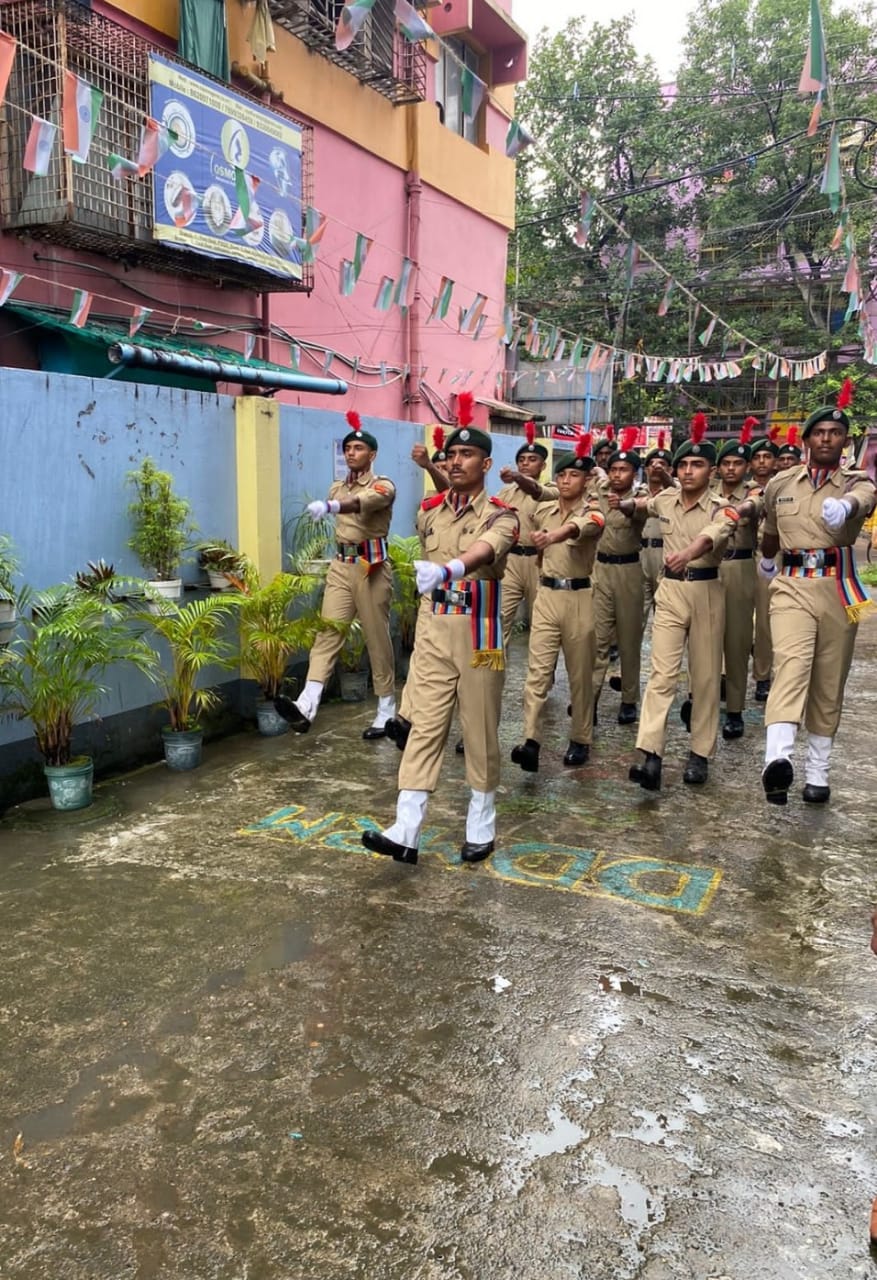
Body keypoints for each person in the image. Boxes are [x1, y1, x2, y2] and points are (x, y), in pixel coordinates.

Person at [362, 401, 519, 865]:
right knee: (422, 728)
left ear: (486, 464)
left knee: (479, 727)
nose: (456, 461)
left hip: (480, 626)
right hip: (435, 626)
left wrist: (450, 568)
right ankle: (406, 829)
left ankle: (481, 820)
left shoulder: (502, 514)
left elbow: (488, 549)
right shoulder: (429, 512)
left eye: (466, 456)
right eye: (450, 455)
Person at [759, 380, 876, 805]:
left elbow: (866, 495)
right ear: (807, 440)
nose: (827, 438)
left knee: (829, 680)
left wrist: (846, 506)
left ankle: (819, 772)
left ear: (845, 441)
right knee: (791, 662)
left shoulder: (855, 482)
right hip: (791, 587)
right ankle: (778, 759)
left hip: (839, 589)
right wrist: (768, 561)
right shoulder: (781, 483)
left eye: (835, 432)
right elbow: (770, 530)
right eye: (819, 432)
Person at [626, 414, 755, 791]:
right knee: (662, 675)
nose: (687, 471)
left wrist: (688, 552)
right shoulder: (664, 500)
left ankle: (700, 754)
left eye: (696, 464)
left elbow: (717, 532)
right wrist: (618, 504)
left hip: (707, 590)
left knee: (703, 677)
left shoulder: (721, 506)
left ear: (711, 471)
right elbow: (641, 505)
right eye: (682, 464)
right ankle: (651, 755)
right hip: (671, 593)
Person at [274, 411, 397, 739]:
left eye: (358, 448)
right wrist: (332, 502)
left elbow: (363, 502)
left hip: (371, 568)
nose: (351, 453)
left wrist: (331, 508)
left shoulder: (384, 485)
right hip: (341, 567)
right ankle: (307, 702)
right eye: (347, 448)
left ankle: (386, 709)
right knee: (328, 632)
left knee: (376, 638)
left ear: (372, 454)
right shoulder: (335, 486)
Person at [511, 439, 605, 772]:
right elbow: (538, 544)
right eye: (562, 475)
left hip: (578, 596)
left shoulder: (593, 511)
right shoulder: (544, 511)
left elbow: (584, 527)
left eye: (573, 476)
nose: (566, 481)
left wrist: (554, 537)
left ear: (587, 480)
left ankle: (580, 738)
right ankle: (531, 740)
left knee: (579, 674)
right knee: (537, 672)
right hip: (547, 594)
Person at [591, 428, 648, 725]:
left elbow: (638, 510)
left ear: (635, 474)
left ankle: (629, 698)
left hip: (629, 571)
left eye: (624, 469)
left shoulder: (641, 497)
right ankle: (590, 700)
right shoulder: (598, 490)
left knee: (628, 640)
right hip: (600, 570)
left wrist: (624, 504)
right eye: (613, 469)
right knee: (597, 641)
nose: (617, 475)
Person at [712, 418, 762, 740]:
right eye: (726, 463)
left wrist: (740, 509)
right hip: (710, 569)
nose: (731, 469)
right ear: (717, 468)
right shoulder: (708, 492)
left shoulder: (753, 492)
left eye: (738, 463)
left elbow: (756, 505)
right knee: (704, 637)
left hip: (741, 569)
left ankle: (734, 710)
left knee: (738, 641)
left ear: (746, 467)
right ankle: (699, 698)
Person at [495, 421, 558, 644]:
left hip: (539, 562)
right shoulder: (506, 491)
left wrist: (518, 477)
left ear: (543, 465)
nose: (525, 464)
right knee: (500, 617)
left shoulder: (552, 489)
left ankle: (542, 677)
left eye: (532, 460)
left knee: (541, 623)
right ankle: (492, 673)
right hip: (511, 559)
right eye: (521, 460)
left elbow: (535, 490)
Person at [749, 427, 780, 702]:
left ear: (775, 461)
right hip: (737, 557)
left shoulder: (782, 489)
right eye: (756, 456)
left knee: (764, 620)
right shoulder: (741, 488)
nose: (761, 461)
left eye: (767, 456)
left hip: (767, 556)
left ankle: (762, 676)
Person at [641, 433, 674, 622]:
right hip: (641, 555)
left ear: (670, 469)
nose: (656, 467)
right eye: (652, 464)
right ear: (645, 469)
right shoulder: (637, 492)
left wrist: (663, 475)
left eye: (662, 464)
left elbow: (675, 488)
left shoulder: (675, 493)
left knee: (665, 615)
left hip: (665, 554)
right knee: (637, 615)